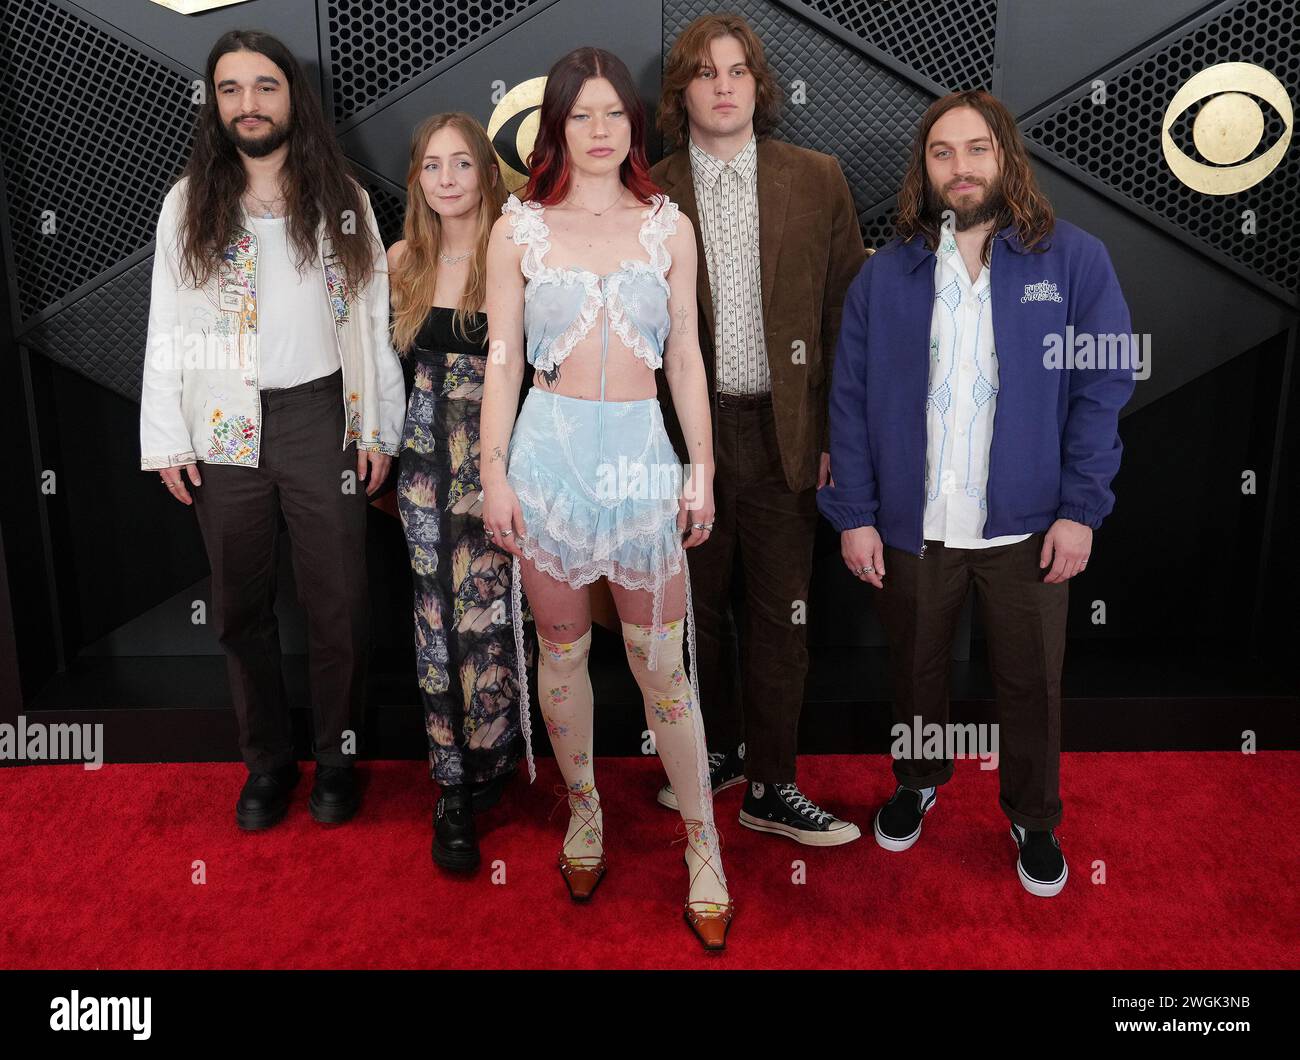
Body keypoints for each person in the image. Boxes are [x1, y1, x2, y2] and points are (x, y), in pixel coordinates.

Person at [818, 90, 1137, 897]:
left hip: (1027, 529)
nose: (961, 167)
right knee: (917, 670)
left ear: (1006, 159)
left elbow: (1103, 388)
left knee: (1031, 682)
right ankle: (919, 778)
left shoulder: (1074, 261)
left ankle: (1033, 818)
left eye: (977, 149)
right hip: (913, 526)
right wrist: (854, 515)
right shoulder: (884, 277)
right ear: (924, 171)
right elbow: (848, 401)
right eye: (942, 153)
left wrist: (1080, 509)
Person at [478, 46, 734, 950]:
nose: (597, 130)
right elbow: (502, 362)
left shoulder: (668, 226)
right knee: (561, 651)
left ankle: (703, 843)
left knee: (662, 668)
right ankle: (584, 811)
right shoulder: (516, 229)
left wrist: (700, 469)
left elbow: (691, 360)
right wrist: (493, 473)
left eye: (612, 114)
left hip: (638, 461)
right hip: (545, 459)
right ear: (555, 127)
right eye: (580, 114)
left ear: (634, 124)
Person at [139, 30, 405, 830]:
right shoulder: (188, 203)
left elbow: (370, 319)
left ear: (291, 96)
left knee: (341, 606)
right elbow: (166, 325)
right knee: (238, 607)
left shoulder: (344, 199)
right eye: (230, 89)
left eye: (263, 87)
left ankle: (338, 756)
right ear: (215, 104)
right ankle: (267, 763)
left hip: (321, 416)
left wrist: (377, 427)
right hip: (223, 425)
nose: (248, 104)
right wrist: (166, 439)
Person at [650, 13, 868, 844]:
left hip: (787, 437)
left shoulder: (815, 178)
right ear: (684, 92)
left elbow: (848, 316)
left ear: (758, 85)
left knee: (783, 619)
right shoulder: (652, 188)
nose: (724, 85)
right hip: (684, 444)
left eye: (737, 70)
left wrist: (837, 441)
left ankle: (774, 786)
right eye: (705, 73)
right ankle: (713, 758)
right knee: (695, 618)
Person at [388, 113, 534, 871]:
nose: (447, 180)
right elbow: (389, 378)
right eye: (432, 166)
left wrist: (505, 469)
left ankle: (498, 764)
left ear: (486, 171)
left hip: (497, 468)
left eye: (461, 165)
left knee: (494, 620)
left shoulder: (512, 255)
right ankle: (451, 783)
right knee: (436, 625)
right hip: (421, 476)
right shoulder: (400, 259)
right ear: (418, 178)